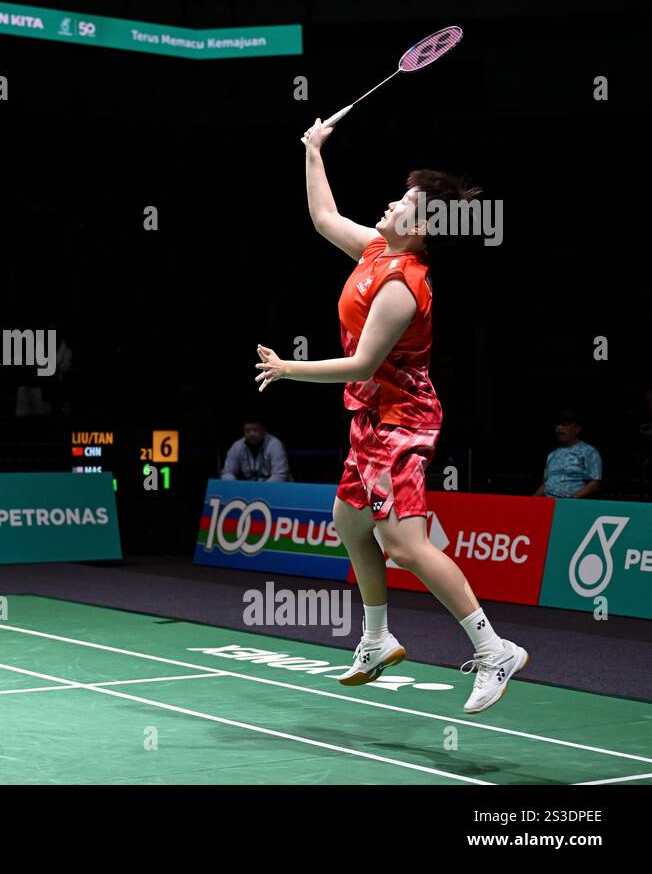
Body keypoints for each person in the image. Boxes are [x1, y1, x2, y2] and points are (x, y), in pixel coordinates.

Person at [251, 117, 527, 715]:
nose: (389, 203)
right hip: (372, 417)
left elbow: (361, 364)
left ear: (424, 225)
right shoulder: (377, 250)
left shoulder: (406, 284)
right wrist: (313, 150)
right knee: (350, 523)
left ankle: (494, 647)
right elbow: (324, 218)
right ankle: (376, 641)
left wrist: (289, 369)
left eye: (403, 200)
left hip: (403, 420)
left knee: (402, 544)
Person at [533, 409, 602, 499]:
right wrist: (531, 500)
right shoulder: (552, 455)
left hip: (573, 504)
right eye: (558, 424)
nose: (560, 428)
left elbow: (595, 483)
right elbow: (546, 484)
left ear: (577, 429)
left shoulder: (588, 451)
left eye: (565, 424)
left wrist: (570, 501)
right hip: (549, 504)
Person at [220, 418, 290, 481]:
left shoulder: (275, 445)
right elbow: (227, 472)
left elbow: (280, 475)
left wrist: (259, 490)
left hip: (273, 489)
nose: (251, 434)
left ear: (263, 429)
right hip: (249, 489)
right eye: (247, 431)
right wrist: (236, 486)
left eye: (256, 430)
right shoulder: (237, 446)